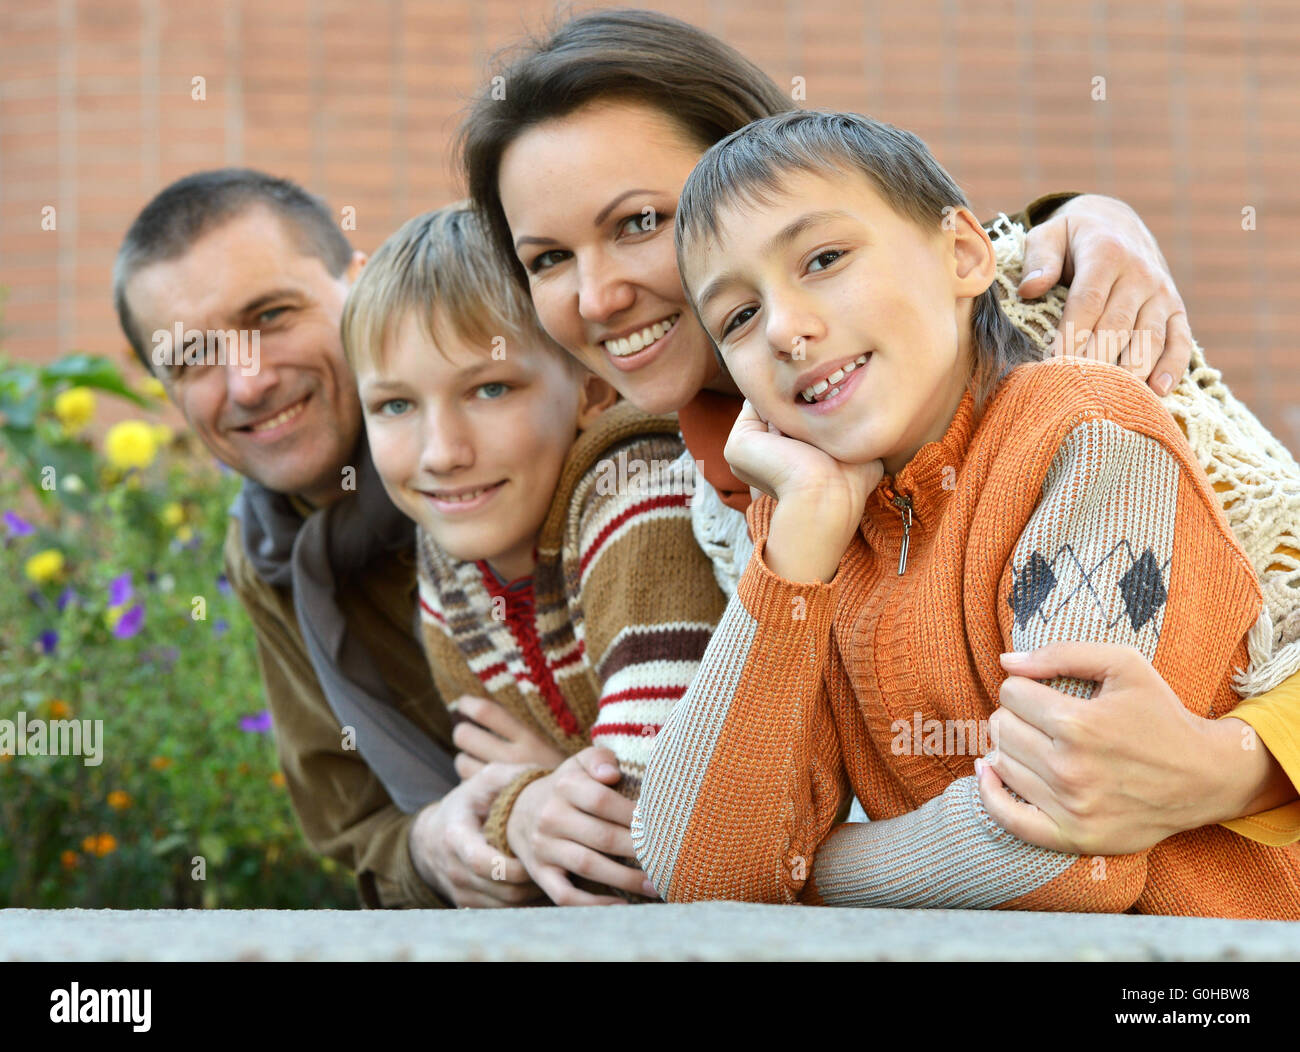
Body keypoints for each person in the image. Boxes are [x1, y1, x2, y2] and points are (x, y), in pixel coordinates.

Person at [460, 7, 1300, 860]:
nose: (596, 297)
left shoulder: (1065, 326)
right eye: (547, 260)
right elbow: (725, 814)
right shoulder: (698, 474)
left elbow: (1265, 602)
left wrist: (1232, 766)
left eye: (639, 222)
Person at [630, 110, 1300, 917]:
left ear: (964, 253)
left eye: (825, 259)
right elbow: (692, 867)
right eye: (738, 317)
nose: (785, 329)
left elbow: (1060, 855)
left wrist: (806, 874)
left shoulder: (1086, 434)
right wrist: (792, 562)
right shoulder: (813, 527)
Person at [113, 169, 558, 908]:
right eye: (192, 358)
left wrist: (569, 778)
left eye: (271, 316)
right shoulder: (269, 550)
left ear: (357, 282)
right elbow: (353, 822)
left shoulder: (519, 438)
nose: (248, 383)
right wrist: (433, 842)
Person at [339, 204, 726, 904]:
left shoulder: (635, 493)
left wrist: (531, 799)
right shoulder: (452, 552)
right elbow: (504, 833)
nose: (442, 453)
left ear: (593, 390)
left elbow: (657, 836)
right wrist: (534, 801)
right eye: (395, 406)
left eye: (489, 389)